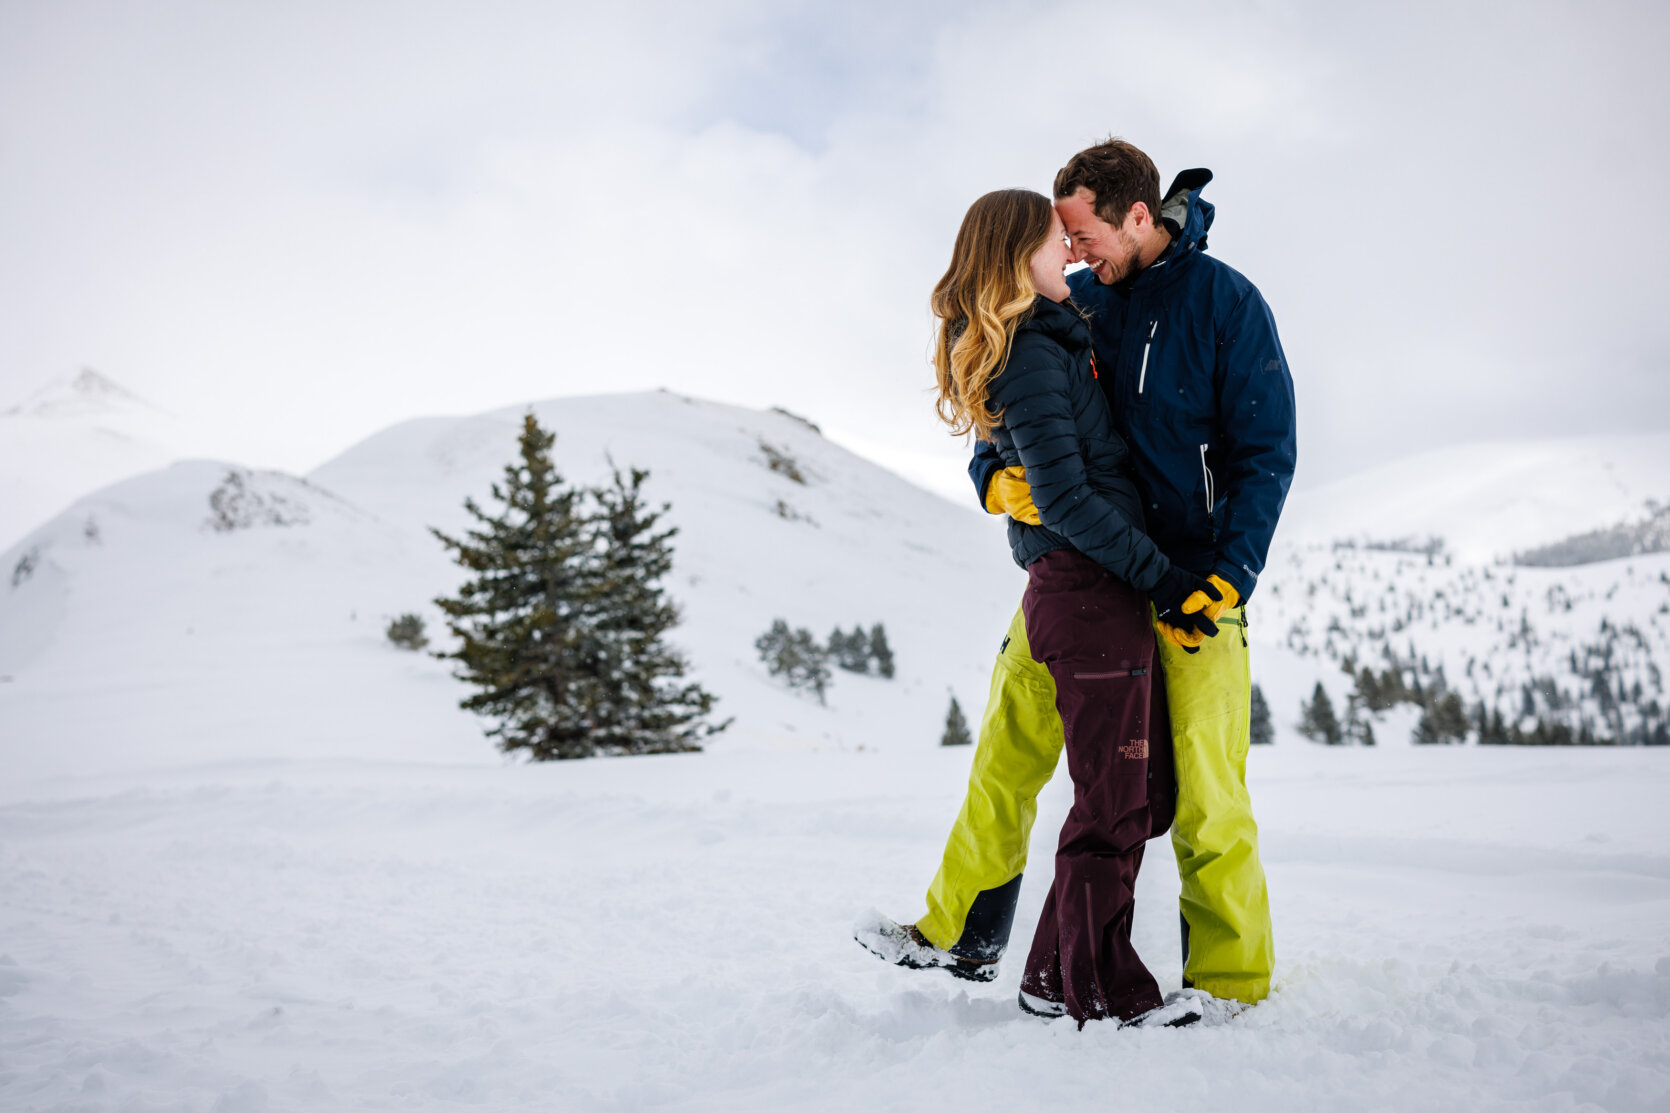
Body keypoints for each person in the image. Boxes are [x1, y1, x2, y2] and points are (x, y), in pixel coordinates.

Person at [865, 140, 1297, 1018]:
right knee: (1004, 757)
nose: (1072, 250)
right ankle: (959, 934)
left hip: (1186, 584)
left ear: (1137, 216)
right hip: (1078, 571)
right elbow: (1006, 398)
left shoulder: (1224, 303)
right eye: (1060, 234)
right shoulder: (1081, 301)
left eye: (1082, 231)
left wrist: (1229, 574)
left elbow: (1266, 450)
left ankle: (1228, 983)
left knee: (1209, 797)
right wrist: (991, 475)